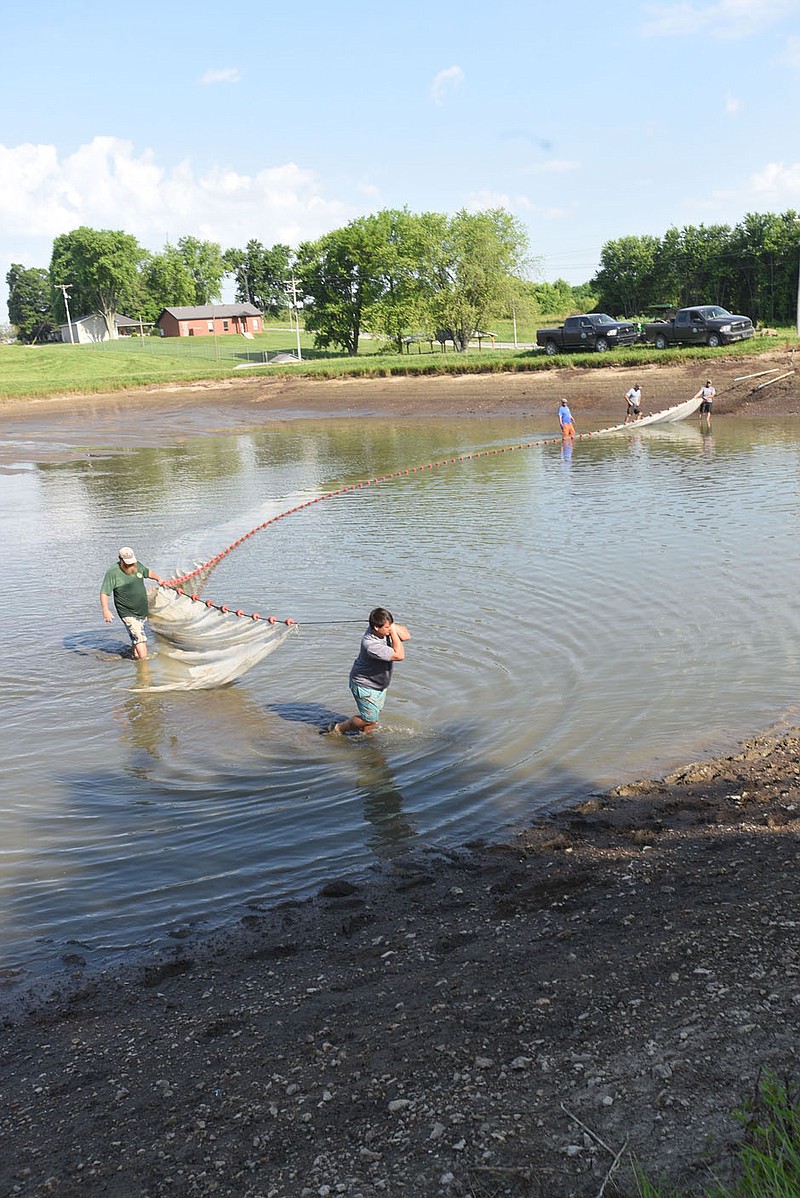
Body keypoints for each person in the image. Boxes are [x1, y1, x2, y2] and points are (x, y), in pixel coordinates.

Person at [327, 607, 411, 735]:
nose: (390, 629)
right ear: (376, 627)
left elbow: (406, 635)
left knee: (373, 718)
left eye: (391, 626)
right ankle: (338, 728)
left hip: (379, 684)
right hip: (364, 684)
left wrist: (391, 627)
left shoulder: (384, 629)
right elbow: (399, 655)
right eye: (387, 627)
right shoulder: (370, 645)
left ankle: (365, 736)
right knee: (369, 718)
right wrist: (393, 632)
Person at [100, 547, 163, 660]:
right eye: (127, 563)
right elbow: (104, 592)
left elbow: (148, 572)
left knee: (136, 637)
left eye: (132, 562)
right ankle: (144, 669)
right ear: (120, 559)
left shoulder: (137, 565)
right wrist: (105, 609)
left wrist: (159, 579)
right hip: (127, 612)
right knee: (140, 638)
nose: (130, 565)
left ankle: (135, 661)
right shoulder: (113, 572)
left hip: (141, 611)